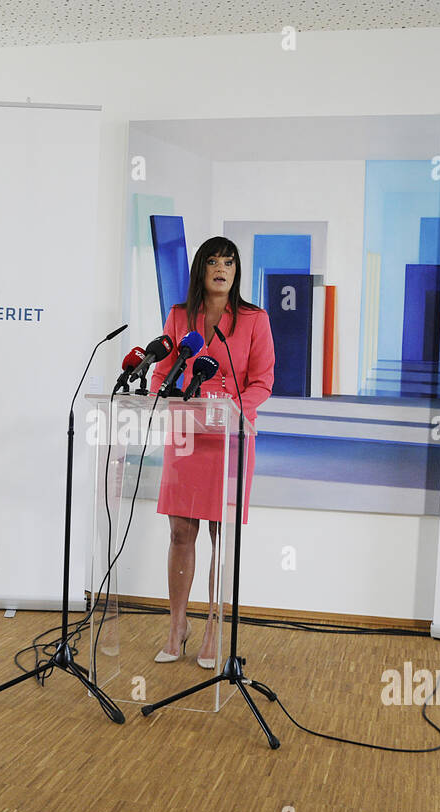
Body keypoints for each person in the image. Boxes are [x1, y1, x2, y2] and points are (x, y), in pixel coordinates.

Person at [149, 236, 274, 668]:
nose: (222, 268)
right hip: (186, 435)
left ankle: (212, 628)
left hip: (230, 437)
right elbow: (162, 372)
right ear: (201, 269)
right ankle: (177, 625)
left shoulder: (255, 320)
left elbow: (262, 380)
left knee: (222, 537)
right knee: (181, 533)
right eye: (214, 262)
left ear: (236, 271)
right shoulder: (180, 316)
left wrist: (234, 410)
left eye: (230, 262)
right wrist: (167, 397)